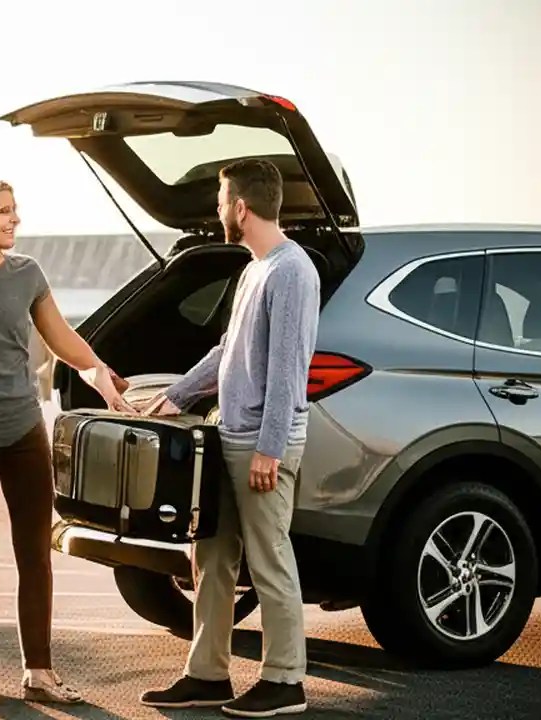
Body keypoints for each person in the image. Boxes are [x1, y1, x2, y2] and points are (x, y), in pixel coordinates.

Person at [137, 158, 320, 717]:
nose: (217, 211)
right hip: (229, 436)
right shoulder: (253, 270)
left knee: (269, 561)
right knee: (211, 558)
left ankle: (285, 681)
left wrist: (269, 447)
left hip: (264, 444)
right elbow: (227, 355)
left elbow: (289, 367)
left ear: (241, 208)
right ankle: (208, 674)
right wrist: (179, 396)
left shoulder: (291, 270)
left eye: (221, 202)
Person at [0, 178, 131, 705]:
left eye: (15, 210)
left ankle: (39, 672)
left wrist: (98, 373)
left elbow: (59, 334)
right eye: (4, 211)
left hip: (24, 429)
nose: (14, 220)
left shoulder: (27, 273)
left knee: (36, 556)